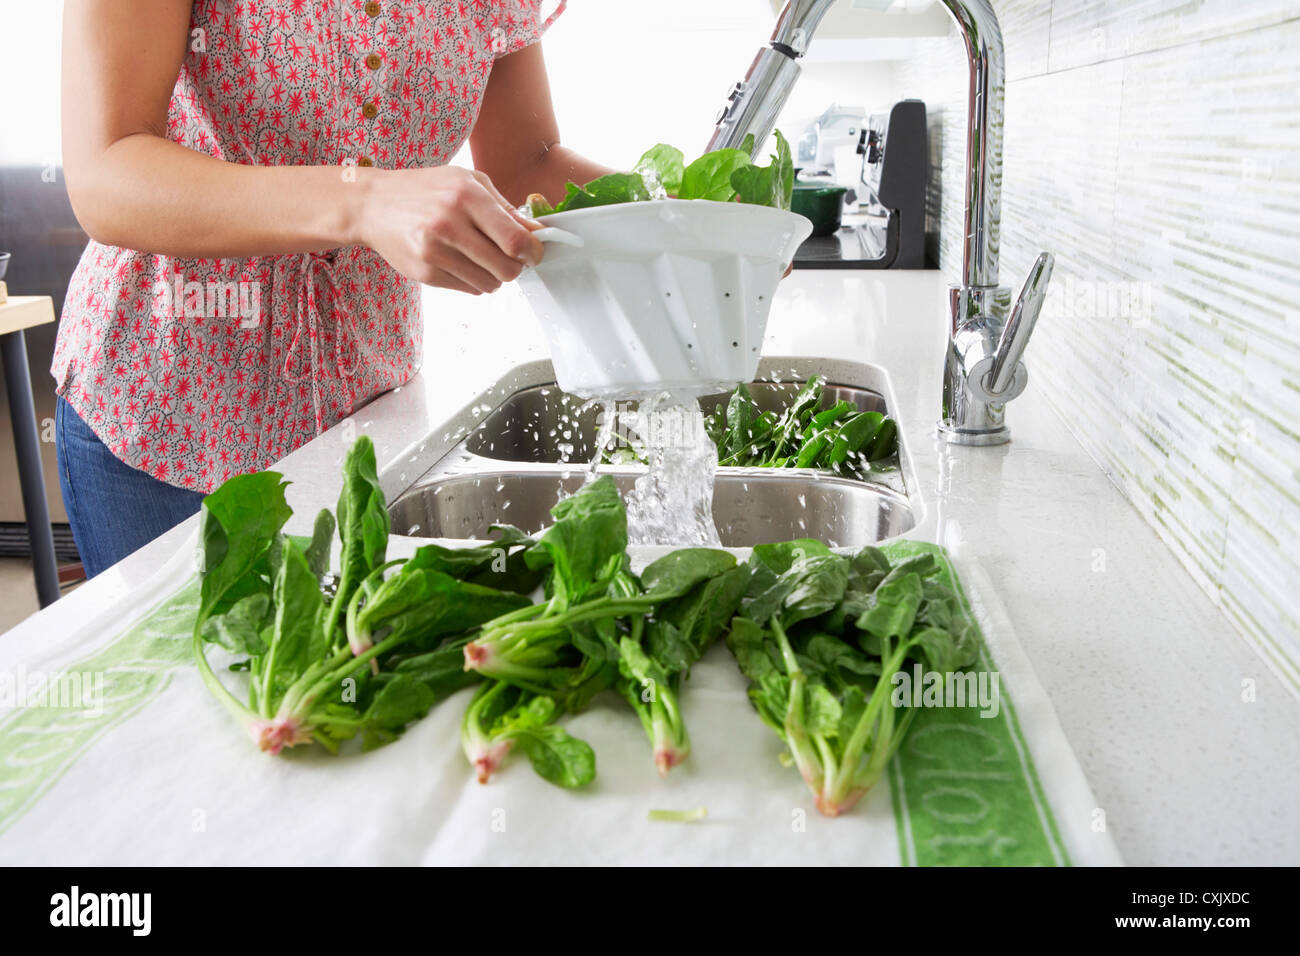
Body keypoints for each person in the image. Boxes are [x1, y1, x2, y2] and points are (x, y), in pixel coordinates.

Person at [54, 0, 607, 577]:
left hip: (368, 417)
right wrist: (362, 200)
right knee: (192, 667)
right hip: (165, 415)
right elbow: (106, 172)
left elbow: (526, 162)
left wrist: (687, 211)